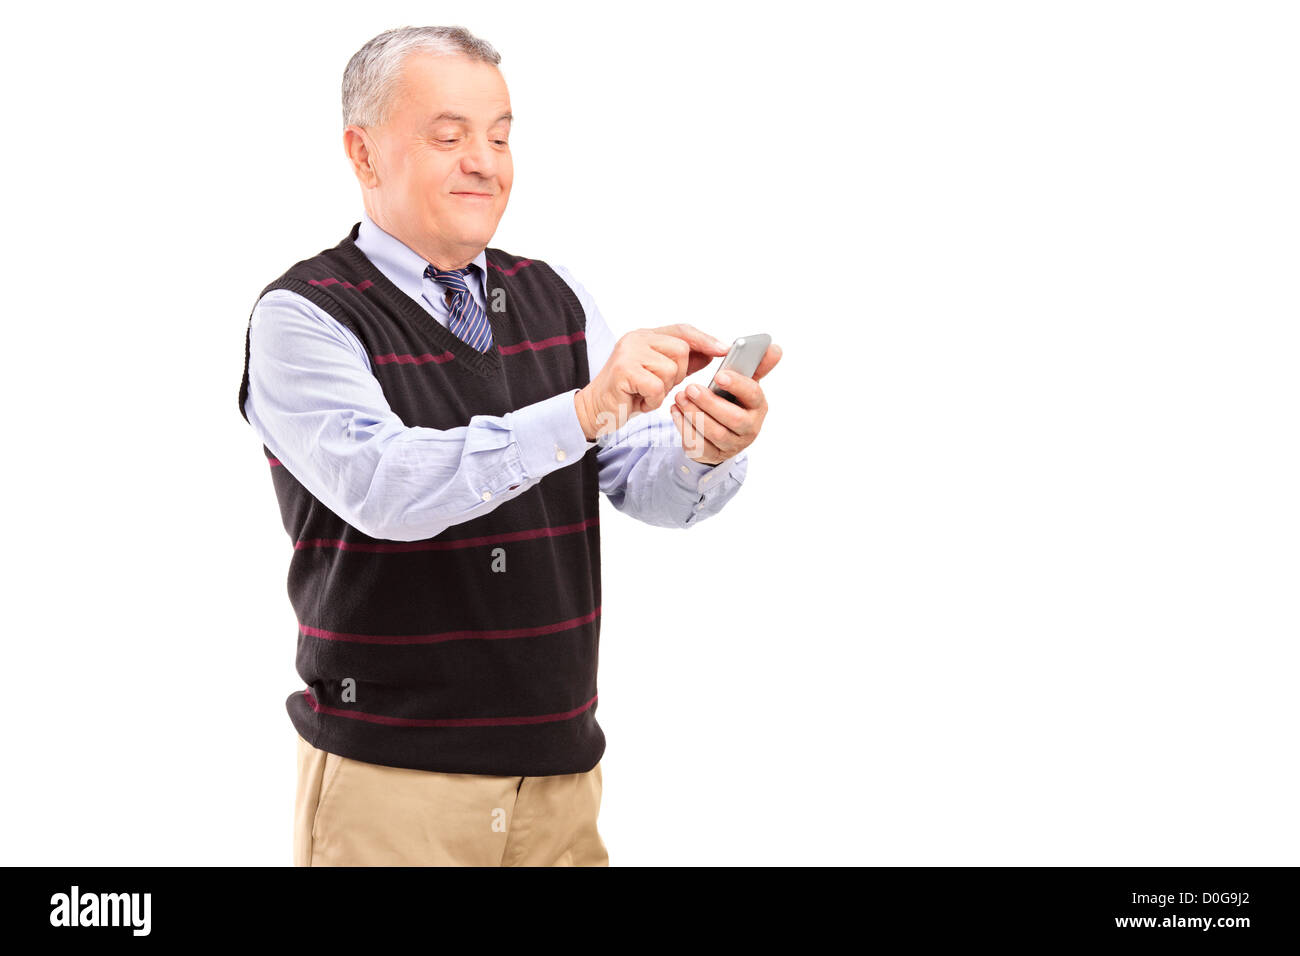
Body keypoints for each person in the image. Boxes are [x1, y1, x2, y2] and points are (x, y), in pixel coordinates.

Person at [236, 24, 781, 867]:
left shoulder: (551, 296)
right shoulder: (304, 316)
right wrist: (582, 410)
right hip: (394, 780)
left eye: (500, 135)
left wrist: (704, 451)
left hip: (562, 771)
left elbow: (641, 481)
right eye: (448, 137)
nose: (485, 162)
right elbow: (388, 489)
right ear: (364, 152)